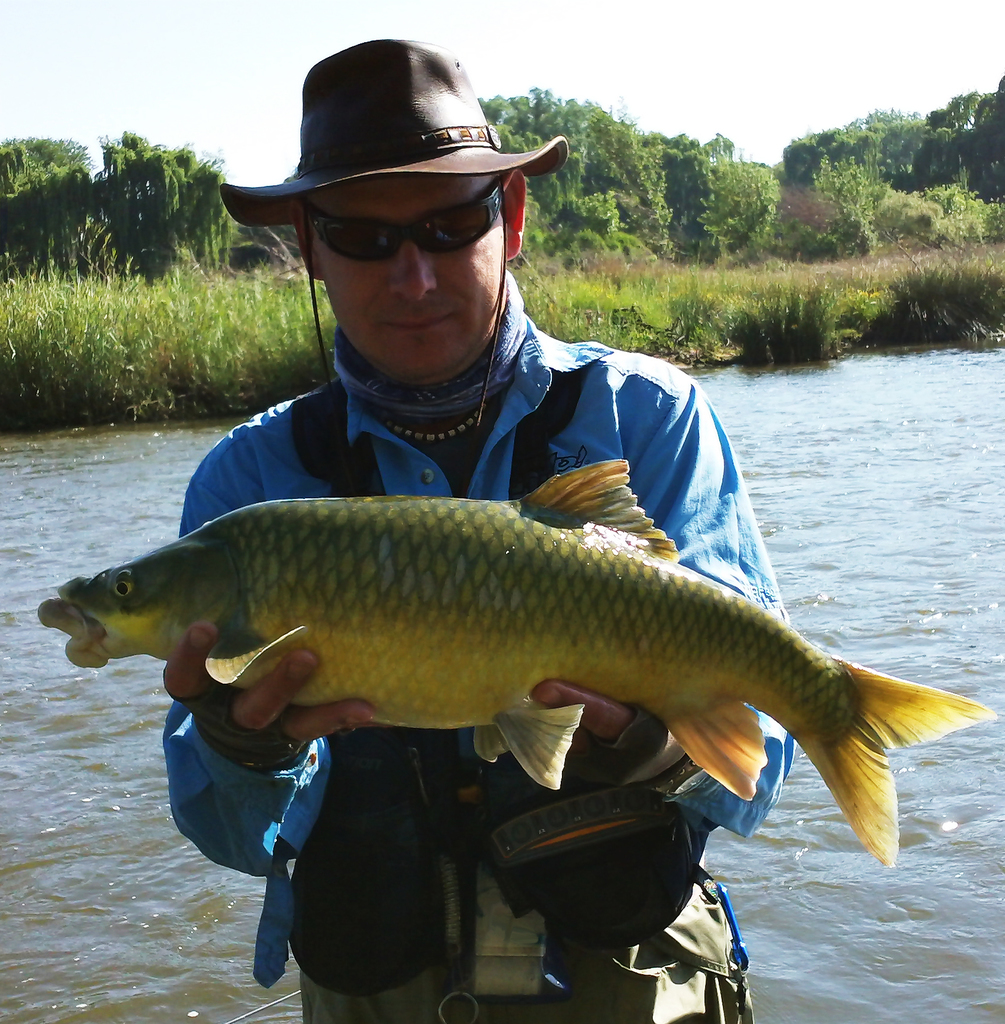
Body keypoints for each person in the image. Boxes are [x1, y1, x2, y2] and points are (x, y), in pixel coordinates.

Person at [162, 39, 793, 1024]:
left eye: (451, 225)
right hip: (376, 988)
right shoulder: (249, 486)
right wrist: (245, 751)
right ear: (308, 244)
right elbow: (228, 836)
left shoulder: (650, 420)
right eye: (364, 239)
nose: (412, 277)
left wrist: (646, 742)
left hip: (629, 977)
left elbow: (761, 775)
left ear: (514, 216)